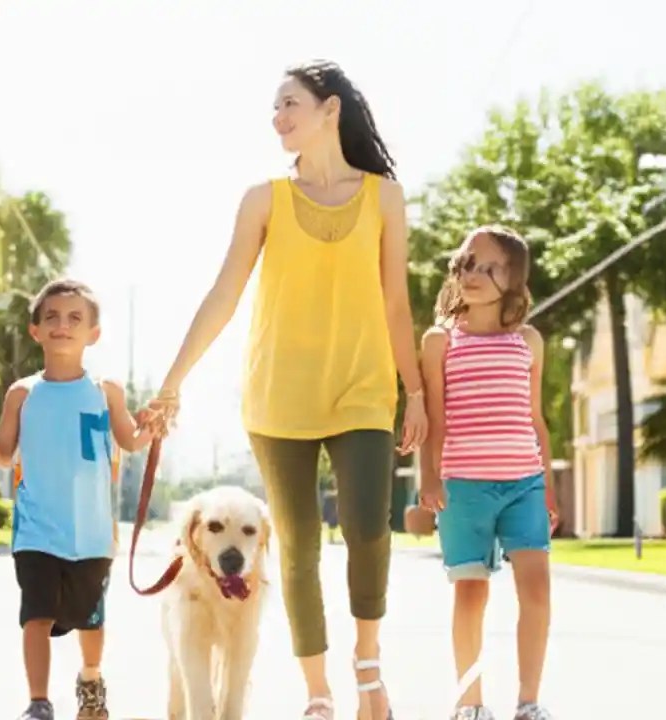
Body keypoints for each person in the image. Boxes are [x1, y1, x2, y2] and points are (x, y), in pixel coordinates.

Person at [148, 60, 426, 720]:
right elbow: (224, 293)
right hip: (277, 396)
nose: (278, 118)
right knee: (297, 548)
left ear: (331, 109)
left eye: (289, 104)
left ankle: (365, 663)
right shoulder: (263, 198)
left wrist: (413, 391)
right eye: (273, 109)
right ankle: (318, 693)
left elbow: (396, 304)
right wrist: (172, 381)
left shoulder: (384, 197)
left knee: (367, 529)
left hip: (361, 388)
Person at [0, 278, 156, 720]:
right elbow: (1, 452)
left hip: (92, 536)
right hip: (36, 532)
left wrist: (156, 423)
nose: (62, 325)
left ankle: (91, 679)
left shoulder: (106, 390)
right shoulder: (22, 393)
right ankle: (39, 701)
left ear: (93, 333)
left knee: (90, 622)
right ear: (35, 329)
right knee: (35, 615)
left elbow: (131, 440)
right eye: (51, 317)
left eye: (75, 318)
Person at [416, 226, 559, 720]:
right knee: (471, 593)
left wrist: (549, 488)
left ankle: (529, 702)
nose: (473, 274)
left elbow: (536, 420)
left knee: (537, 588)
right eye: (467, 264)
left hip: (524, 484)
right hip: (464, 487)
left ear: (514, 279)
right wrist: (429, 477)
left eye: (488, 266)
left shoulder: (528, 342)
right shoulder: (440, 342)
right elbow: (435, 417)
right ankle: (470, 704)